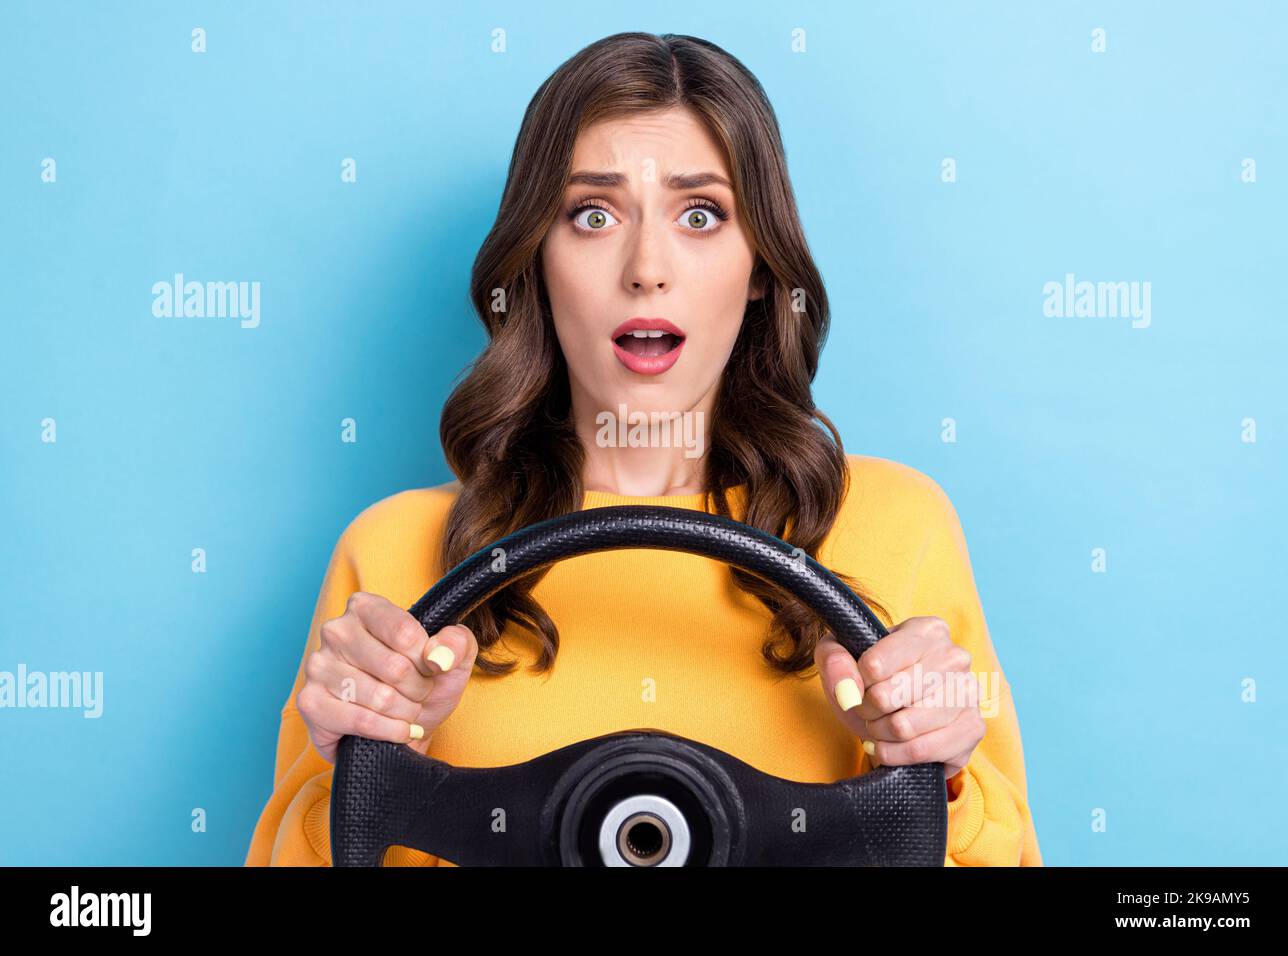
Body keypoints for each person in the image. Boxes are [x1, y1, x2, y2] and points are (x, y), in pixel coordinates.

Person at [245, 31, 1042, 867]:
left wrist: (934, 769)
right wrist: (360, 764)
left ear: (762, 266)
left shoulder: (897, 525)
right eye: (593, 215)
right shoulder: (396, 554)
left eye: (701, 214)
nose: (647, 268)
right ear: (536, 263)